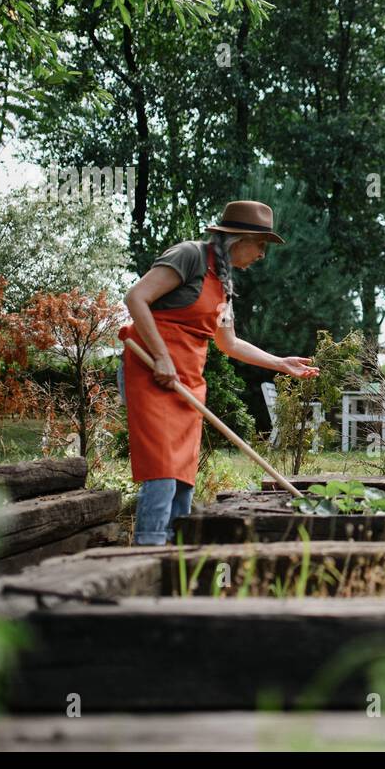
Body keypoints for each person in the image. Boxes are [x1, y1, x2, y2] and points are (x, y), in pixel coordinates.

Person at [118, 200, 318, 545]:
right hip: (152, 372)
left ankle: (179, 549)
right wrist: (162, 357)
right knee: (163, 468)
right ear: (238, 240)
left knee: (183, 473)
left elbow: (230, 344)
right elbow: (136, 298)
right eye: (260, 245)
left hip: (188, 382)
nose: (261, 255)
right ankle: (149, 548)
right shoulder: (188, 256)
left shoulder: (224, 283)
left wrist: (280, 363)